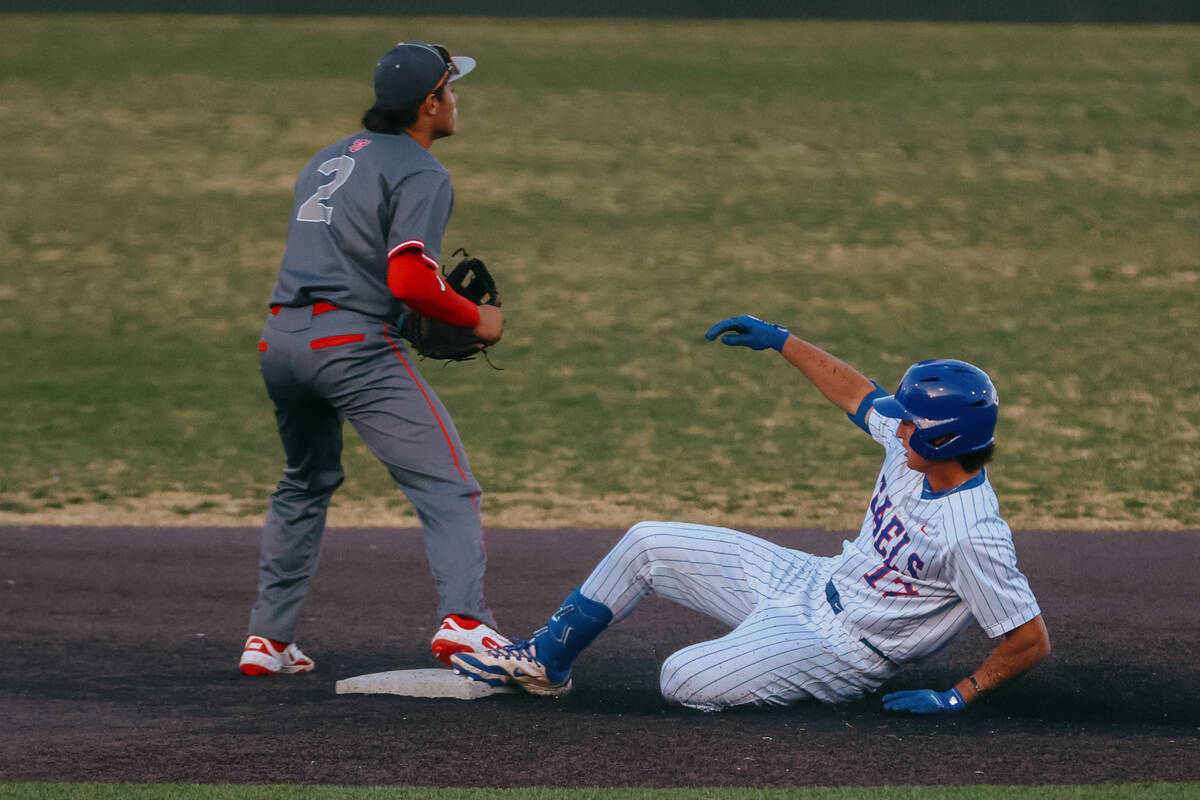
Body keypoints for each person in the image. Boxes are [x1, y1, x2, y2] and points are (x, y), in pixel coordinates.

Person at [452, 315, 1051, 713]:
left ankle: (773, 662)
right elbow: (856, 391)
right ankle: (543, 662)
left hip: (845, 648)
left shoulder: (973, 534)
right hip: (812, 580)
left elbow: (1027, 639)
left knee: (681, 679)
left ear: (944, 442)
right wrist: (782, 339)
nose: (898, 421)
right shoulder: (909, 443)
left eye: (912, 419)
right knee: (646, 541)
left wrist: (958, 696)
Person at [239, 40, 511, 676]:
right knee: (448, 486)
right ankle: (466, 625)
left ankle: (268, 640)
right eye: (451, 88)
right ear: (428, 103)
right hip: (350, 349)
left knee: (304, 483)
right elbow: (411, 280)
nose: (455, 99)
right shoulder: (422, 171)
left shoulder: (326, 158)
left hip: (280, 342)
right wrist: (478, 321)